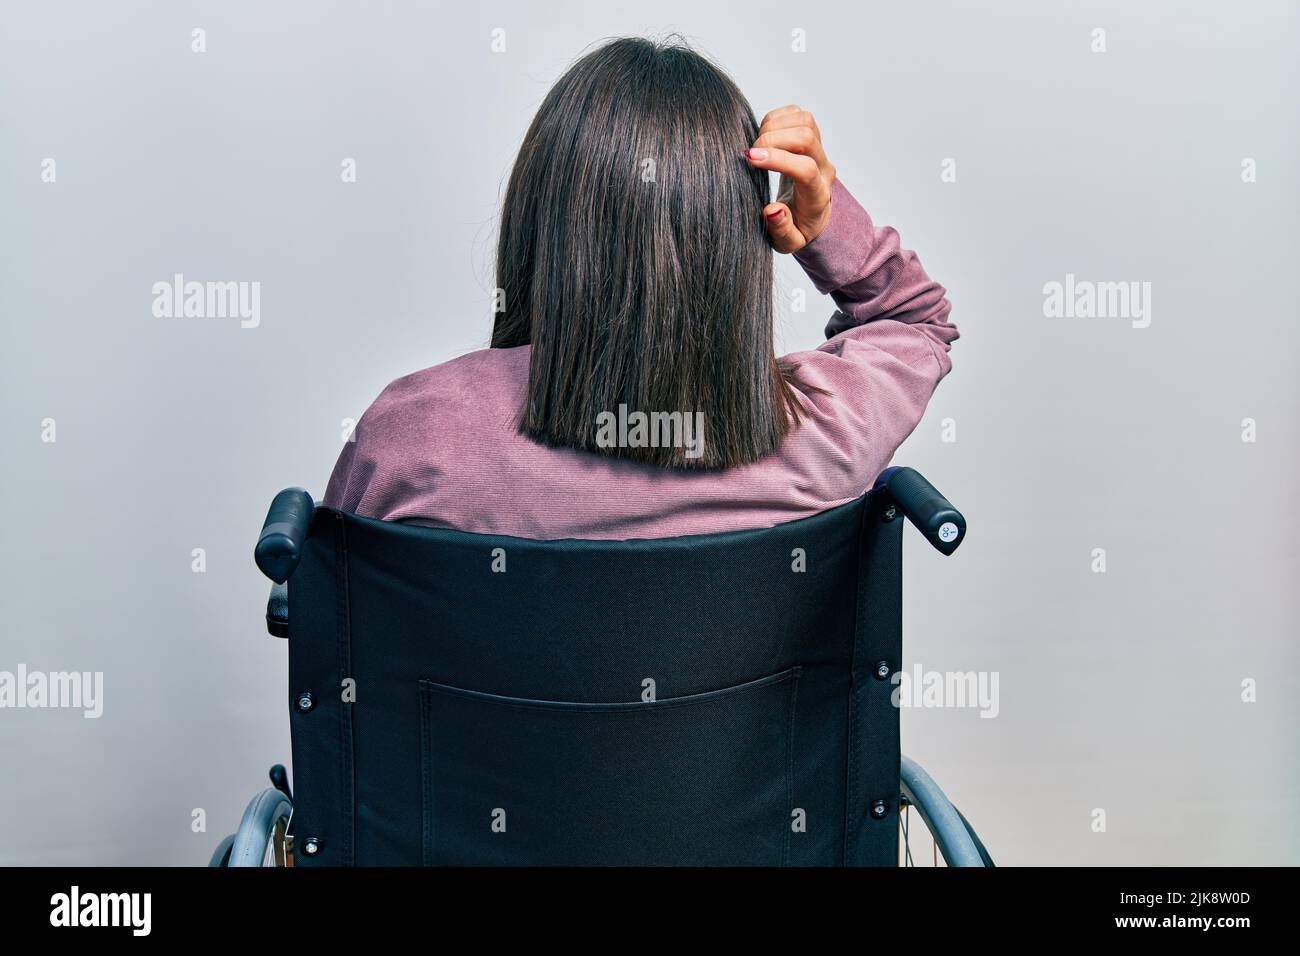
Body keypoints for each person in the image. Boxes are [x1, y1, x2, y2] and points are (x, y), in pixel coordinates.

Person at [323, 37, 957, 540]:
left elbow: (338, 618)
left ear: (538, 216)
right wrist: (822, 225)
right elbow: (916, 323)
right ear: (734, 234)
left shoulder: (411, 435)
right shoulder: (824, 433)